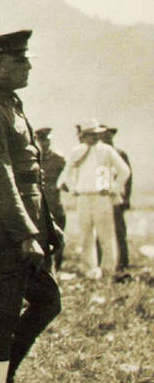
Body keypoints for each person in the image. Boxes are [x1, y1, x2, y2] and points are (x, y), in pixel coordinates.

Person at [0, 30, 61, 383]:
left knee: (48, 302)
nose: (28, 66)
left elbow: (31, 174)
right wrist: (25, 233)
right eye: (21, 60)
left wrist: (47, 226)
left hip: (25, 225)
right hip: (4, 228)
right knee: (4, 314)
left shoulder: (10, 102)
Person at [62, 119, 129, 280]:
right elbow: (67, 173)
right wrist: (73, 189)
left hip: (101, 197)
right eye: (90, 135)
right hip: (83, 198)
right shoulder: (76, 152)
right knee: (86, 235)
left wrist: (113, 188)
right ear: (83, 136)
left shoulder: (106, 151)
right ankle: (89, 270)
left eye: (96, 134)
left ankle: (108, 270)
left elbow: (124, 171)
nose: (94, 138)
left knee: (106, 236)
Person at [35, 128, 67, 271]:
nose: (44, 144)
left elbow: (67, 178)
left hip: (55, 203)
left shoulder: (59, 159)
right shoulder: (34, 158)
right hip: (40, 204)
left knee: (58, 237)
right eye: (42, 140)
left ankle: (57, 267)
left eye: (47, 140)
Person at [102, 126, 133, 271]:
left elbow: (128, 178)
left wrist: (126, 199)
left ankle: (123, 263)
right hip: (102, 199)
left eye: (109, 135)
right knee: (102, 231)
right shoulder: (99, 154)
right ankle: (104, 263)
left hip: (117, 198)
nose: (106, 138)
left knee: (120, 231)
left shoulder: (120, 154)